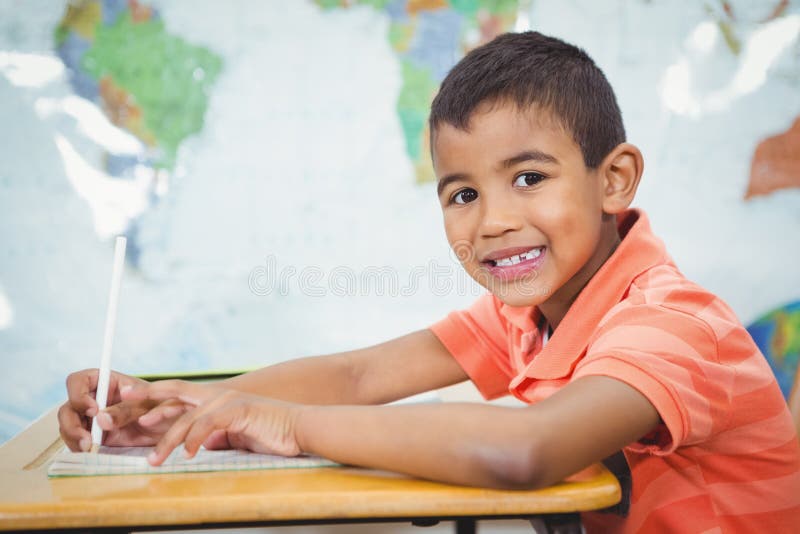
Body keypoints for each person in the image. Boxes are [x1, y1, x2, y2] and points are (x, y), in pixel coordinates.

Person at [58, 31, 800, 532]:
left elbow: (529, 450)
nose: (493, 221)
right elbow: (359, 375)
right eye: (463, 193)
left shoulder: (673, 323)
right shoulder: (531, 312)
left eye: (529, 177)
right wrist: (189, 410)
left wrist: (283, 423)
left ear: (614, 180)